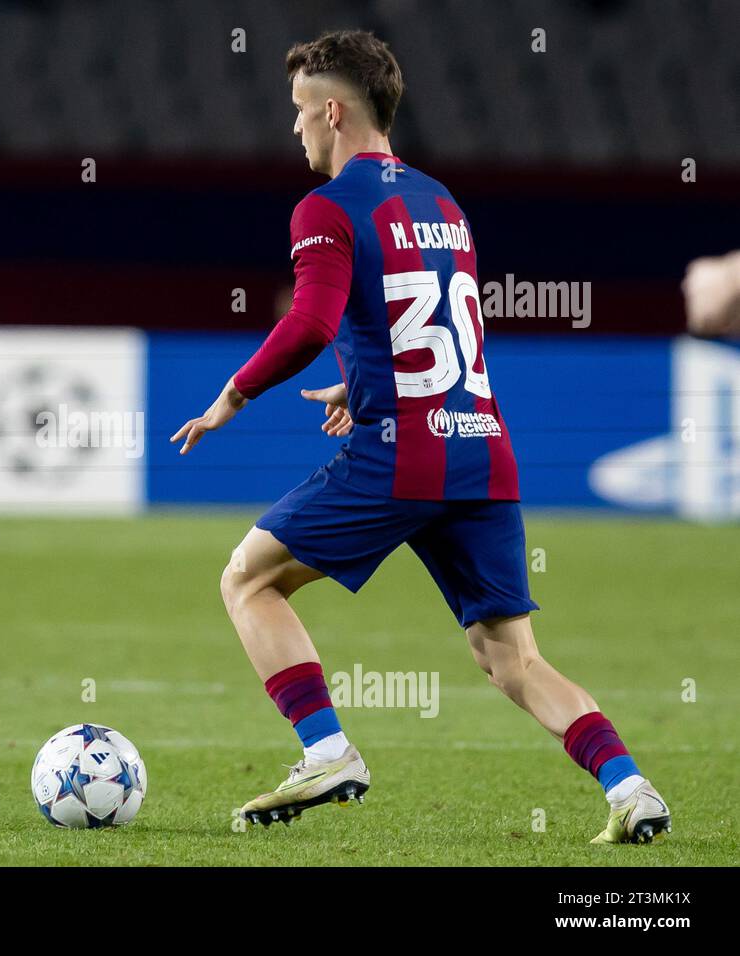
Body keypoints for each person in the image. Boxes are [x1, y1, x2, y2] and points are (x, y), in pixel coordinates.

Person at [170, 30, 671, 845]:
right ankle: (630, 787)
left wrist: (235, 394)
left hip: (403, 452)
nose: (294, 129)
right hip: (480, 440)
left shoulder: (323, 207)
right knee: (511, 659)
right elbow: (430, 322)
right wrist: (361, 381)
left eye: (299, 112)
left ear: (333, 111)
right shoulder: (443, 202)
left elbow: (308, 322)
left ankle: (326, 749)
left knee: (247, 580)